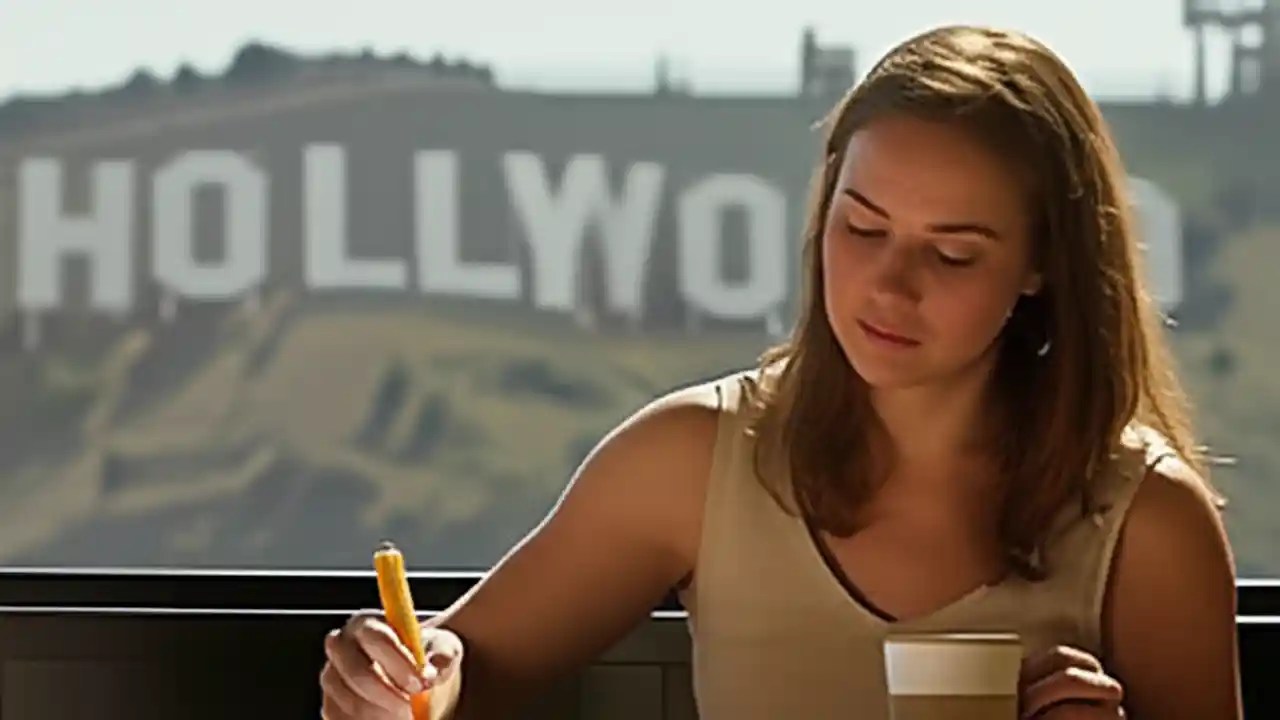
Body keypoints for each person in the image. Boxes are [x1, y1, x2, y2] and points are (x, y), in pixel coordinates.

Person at [319, 24, 1242, 720]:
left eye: (952, 254)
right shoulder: (693, 459)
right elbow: (457, 672)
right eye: (863, 226)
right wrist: (396, 677)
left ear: (1044, 266)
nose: (888, 286)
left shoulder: (1146, 523)